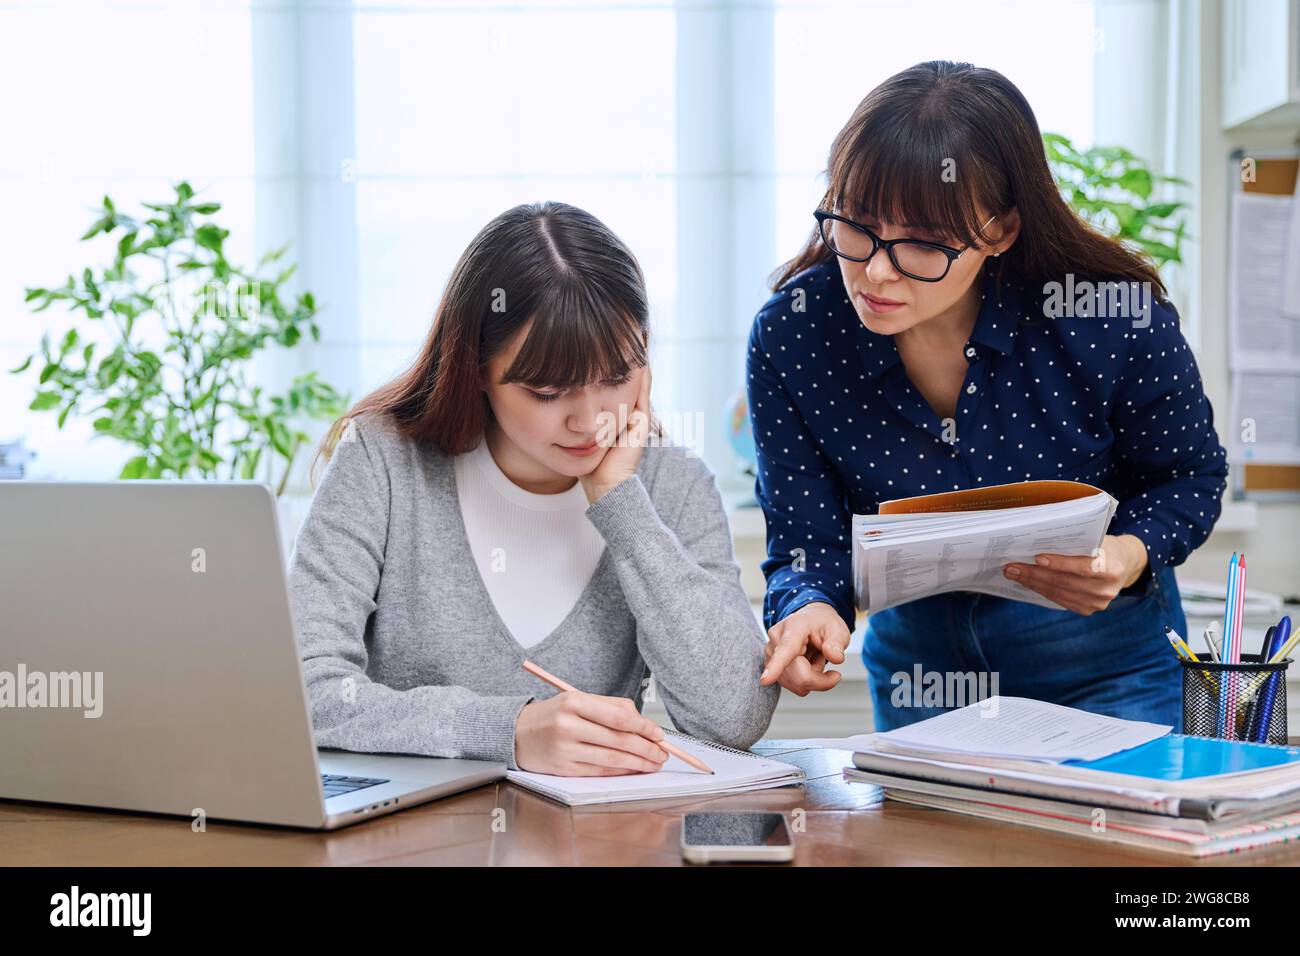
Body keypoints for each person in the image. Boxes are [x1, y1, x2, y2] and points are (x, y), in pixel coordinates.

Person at [749, 61, 1228, 731]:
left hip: (1110, 668)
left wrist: (1123, 555)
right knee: (932, 841)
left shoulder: (1109, 318)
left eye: (923, 243)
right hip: (922, 673)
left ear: (1000, 230)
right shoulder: (795, 333)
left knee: (1115, 838)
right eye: (855, 225)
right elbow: (807, 538)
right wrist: (808, 608)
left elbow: (1189, 477)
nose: (876, 271)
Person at [289, 201, 777, 775]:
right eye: (548, 392)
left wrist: (621, 505)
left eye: (617, 377)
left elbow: (735, 717)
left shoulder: (673, 485)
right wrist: (509, 732)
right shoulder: (382, 461)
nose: (590, 419)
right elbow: (303, 687)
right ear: (474, 367)